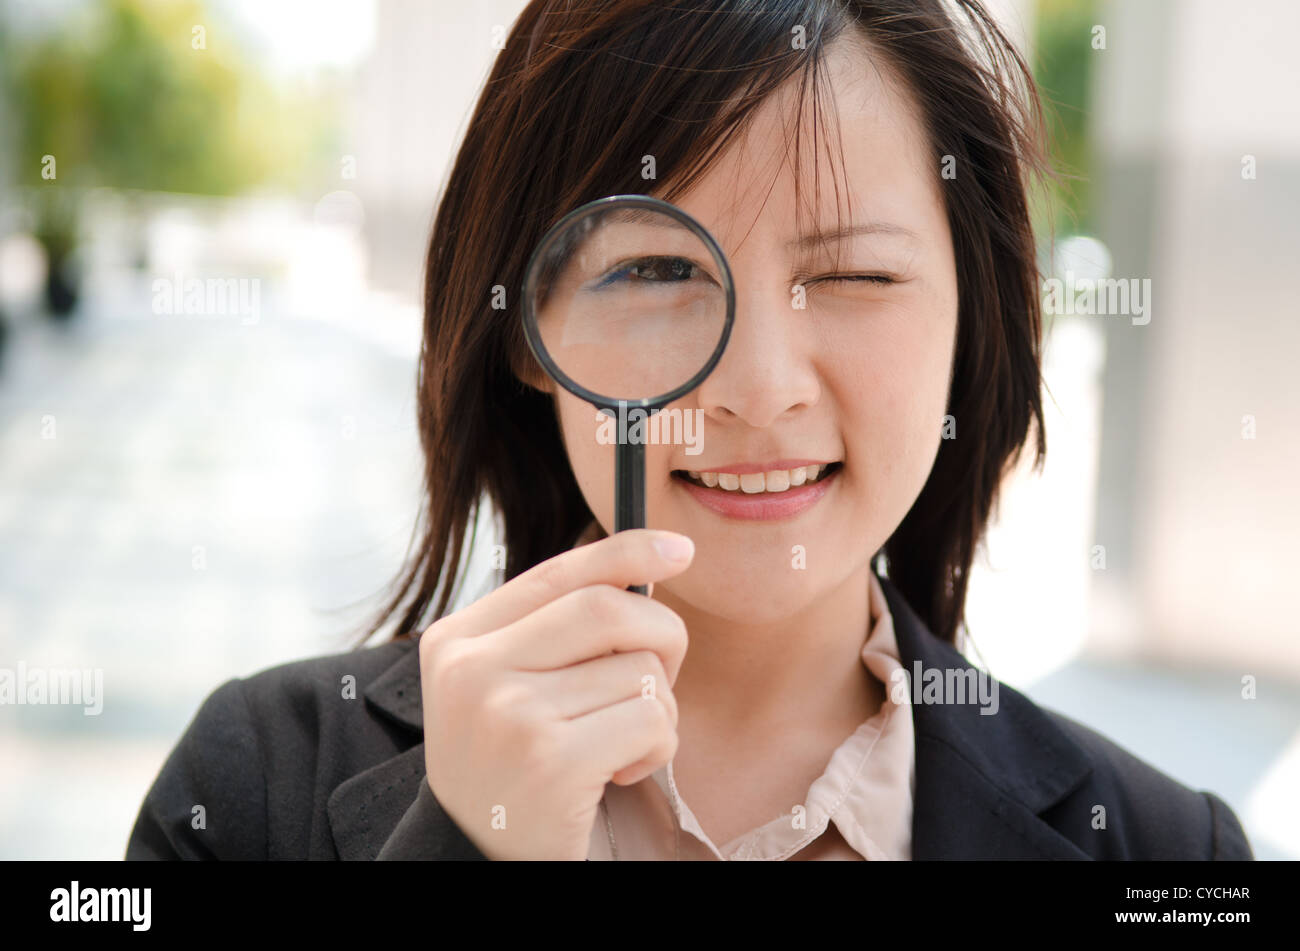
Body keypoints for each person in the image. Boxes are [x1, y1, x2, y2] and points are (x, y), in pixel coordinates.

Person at [126, 0, 1253, 861]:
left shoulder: (1164, 850)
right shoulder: (252, 786)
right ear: (527, 334)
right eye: (656, 270)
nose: (758, 389)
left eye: (857, 272)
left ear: (973, 318)